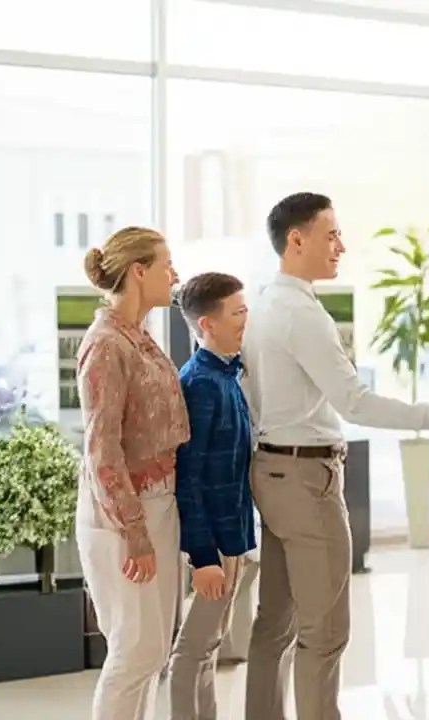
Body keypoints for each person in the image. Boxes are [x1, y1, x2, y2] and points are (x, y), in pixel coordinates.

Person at [242, 192, 429, 720]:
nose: (342, 246)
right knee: (325, 632)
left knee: (275, 623)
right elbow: (354, 401)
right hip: (307, 481)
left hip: (272, 471)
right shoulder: (302, 314)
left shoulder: (264, 304)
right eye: (331, 235)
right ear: (296, 240)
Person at [75, 226, 190, 720]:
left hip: (158, 504)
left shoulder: (140, 337)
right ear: (139, 272)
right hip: (124, 516)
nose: (175, 275)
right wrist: (135, 532)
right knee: (133, 651)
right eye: (167, 264)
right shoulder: (106, 344)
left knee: (153, 651)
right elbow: (102, 449)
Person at [168, 272, 253, 720]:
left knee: (210, 646)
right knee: (191, 652)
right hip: (215, 543)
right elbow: (189, 475)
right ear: (207, 324)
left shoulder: (227, 374)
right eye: (238, 312)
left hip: (231, 535)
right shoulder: (200, 383)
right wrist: (203, 557)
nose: (246, 320)